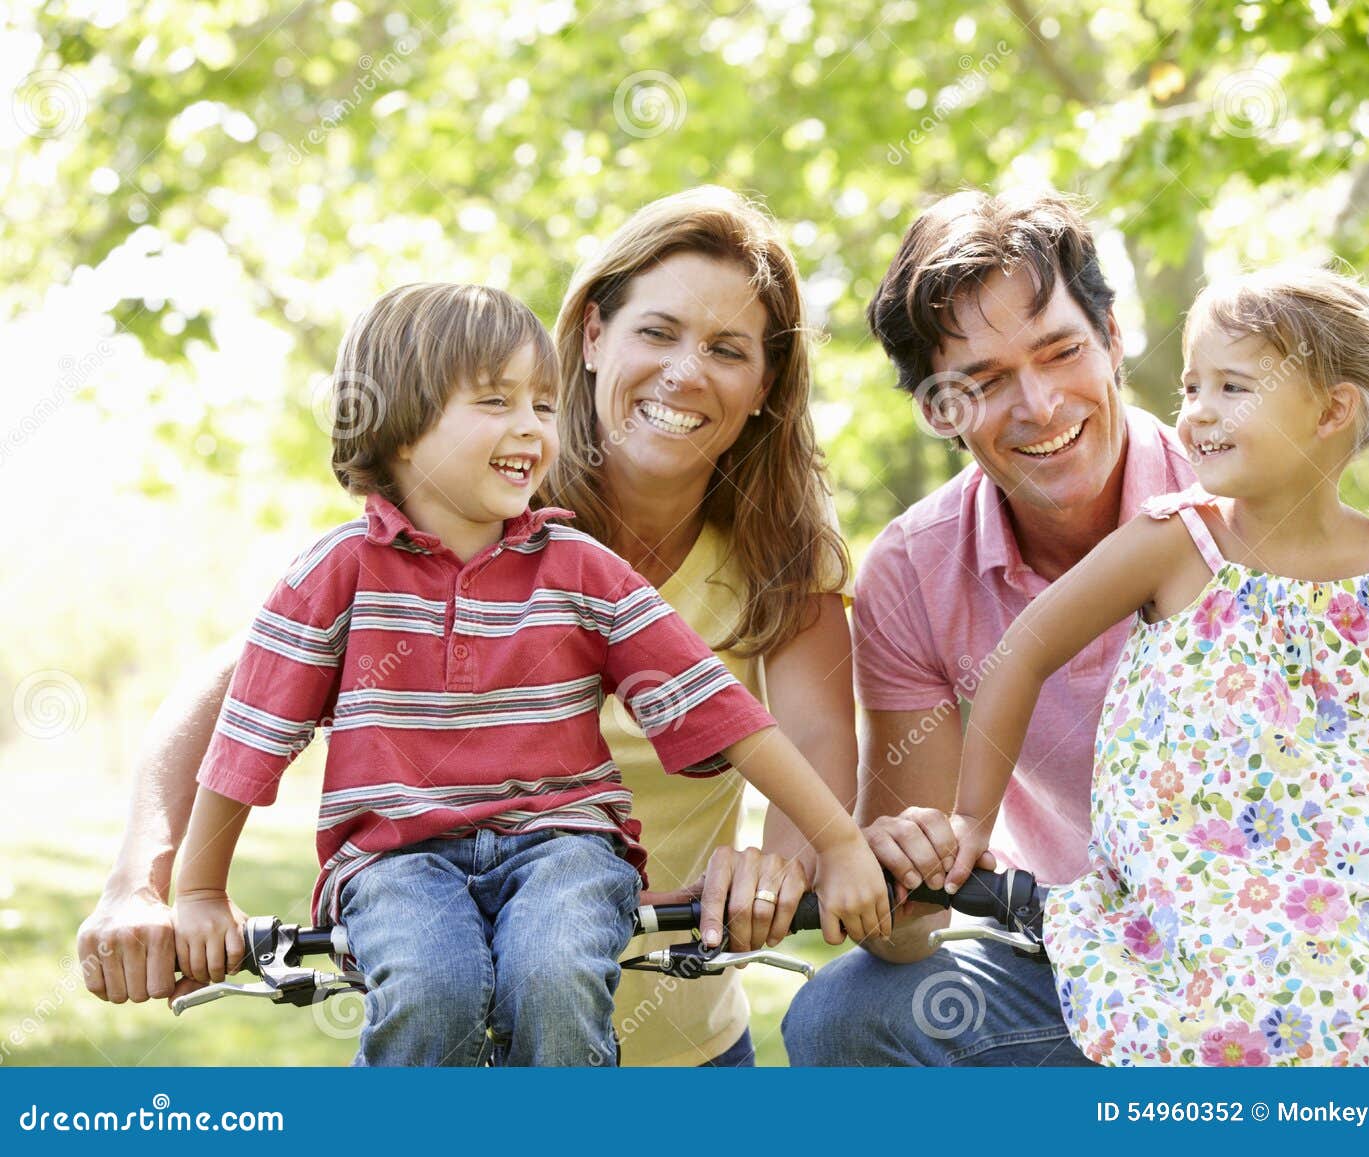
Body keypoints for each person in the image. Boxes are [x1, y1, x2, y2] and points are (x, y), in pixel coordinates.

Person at [783, 187, 1369, 1067]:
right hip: (1089, 958)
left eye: (1061, 352)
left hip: (1312, 965)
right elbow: (915, 925)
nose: (1040, 406)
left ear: (1113, 340)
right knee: (845, 1013)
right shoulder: (917, 569)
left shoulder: (1266, 491)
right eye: (981, 383)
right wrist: (916, 853)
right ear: (940, 409)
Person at [80, 188, 868, 1066]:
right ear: (595, 338)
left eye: (728, 349)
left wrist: (790, 858)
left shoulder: (778, 562)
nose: (686, 371)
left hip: (683, 1043)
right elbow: (235, 697)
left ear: (766, 385)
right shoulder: (478, 507)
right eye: (658, 331)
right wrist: (149, 884)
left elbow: (810, 753)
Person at [945, 265, 1369, 1065]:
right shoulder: (1178, 543)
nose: (1198, 414)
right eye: (1192, 387)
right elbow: (1023, 652)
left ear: (1331, 410)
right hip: (1183, 914)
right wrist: (971, 820)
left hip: (1347, 934)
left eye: (1233, 387)